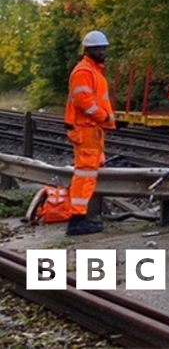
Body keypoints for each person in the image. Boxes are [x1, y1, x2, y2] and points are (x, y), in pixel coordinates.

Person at [63, 30, 116, 236]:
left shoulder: (93, 70)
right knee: (84, 175)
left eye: (104, 48)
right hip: (86, 129)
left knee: (87, 174)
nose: (104, 52)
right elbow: (84, 101)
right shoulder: (84, 71)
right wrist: (103, 116)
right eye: (100, 49)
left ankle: (79, 217)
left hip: (92, 130)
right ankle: (76, 220)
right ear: (89, 50)